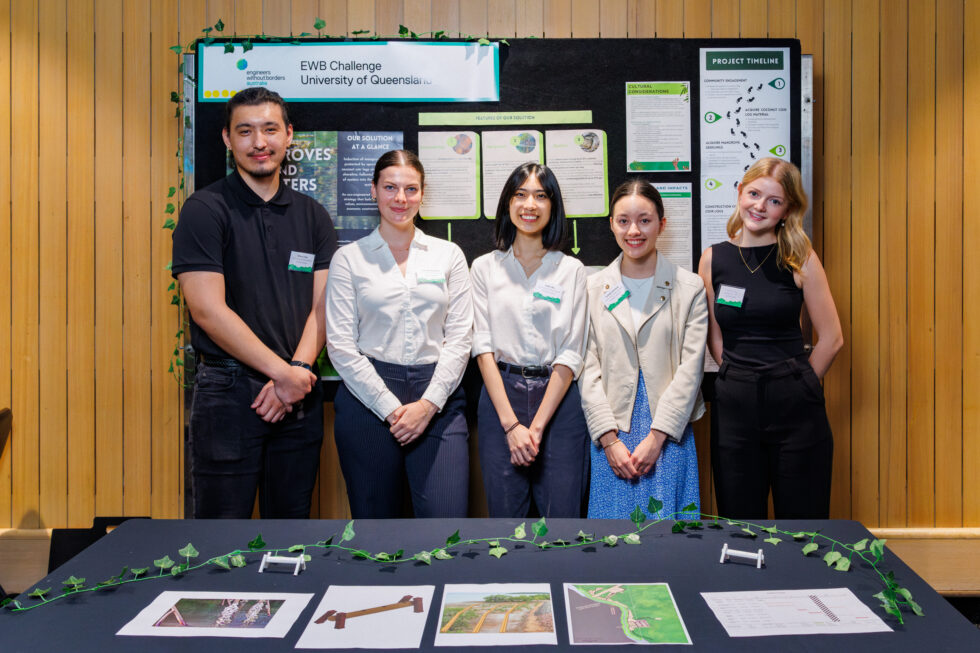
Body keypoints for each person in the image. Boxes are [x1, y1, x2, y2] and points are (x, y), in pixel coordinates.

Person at [172, 87, 338, 519]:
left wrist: (296, 371)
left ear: (289, 135)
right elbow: (207, 310)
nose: (259, 142)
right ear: (227, 139)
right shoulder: (204, 210)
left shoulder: (313, 216)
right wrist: (283, 374)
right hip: (228, 393)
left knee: (290, 533)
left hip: (298, 394)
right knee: (221, 537)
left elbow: (324, 307)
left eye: (269, 129)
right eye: (245, 131)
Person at [325, 150, 473, 518]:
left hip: (438, 395)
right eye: (390, 187)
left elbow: (460, 339)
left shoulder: (448, 255)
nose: (400, 199)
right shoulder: (349, 259)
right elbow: (340, 346)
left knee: (446, 525)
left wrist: (427, 405)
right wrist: (391, 410)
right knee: (376, 528)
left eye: (411, 189)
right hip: (367, 398)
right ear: (373, 190)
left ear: (423, 194)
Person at [698, 157, 843, 519]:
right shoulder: (713, 259)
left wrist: (797, 382)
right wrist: (739, 375)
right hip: (735, 405)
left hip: (795, 406)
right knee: (740, 521)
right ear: (739, 193)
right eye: (754, 194)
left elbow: (832, 338)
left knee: (803, 522)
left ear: (787, 210)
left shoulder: (800, 258)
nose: (760, 206)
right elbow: (714, 335)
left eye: (774, 200)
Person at [579, 179, 707, 519]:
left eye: (644, 220)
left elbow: (691, 369)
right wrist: (609, 440)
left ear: (661, 224)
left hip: (668, 431)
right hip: (611, 431)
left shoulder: (690, 288)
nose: (633, 230)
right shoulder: (592, 288)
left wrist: (656, 437)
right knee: (611, 535)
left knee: (669, 531)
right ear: (612, 224)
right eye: (623, 221)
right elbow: (586, 366)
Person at [471, 162, 590, 518]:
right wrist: (511, 426)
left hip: (559, 402)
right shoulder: (485, 268)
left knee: (562, 521)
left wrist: (535, 428)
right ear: (508, 203)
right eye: (520, 194)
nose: (530, 205)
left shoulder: (571, 270)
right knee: (506, 522)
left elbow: (571, 352)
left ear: (553, 205)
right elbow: (483, 348)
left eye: (540, 196)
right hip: (501, 398)